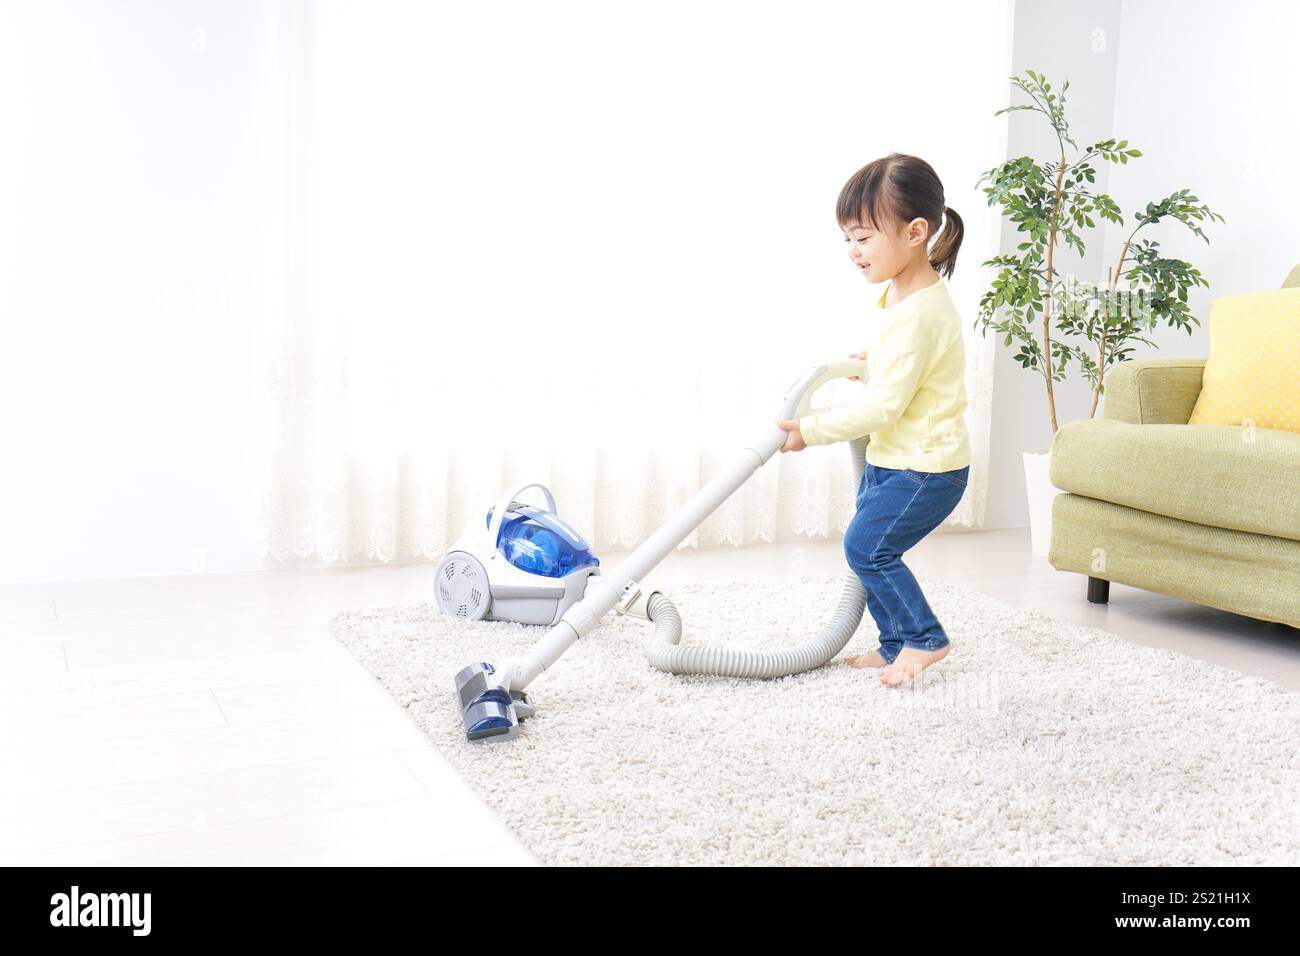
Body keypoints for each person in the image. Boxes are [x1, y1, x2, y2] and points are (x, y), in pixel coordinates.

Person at [775, 153, 971, 687]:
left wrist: (809, 430)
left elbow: (886, 406)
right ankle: (892, 645)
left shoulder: (922, 311)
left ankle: (925, 638)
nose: (853, 252)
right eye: (847, 240)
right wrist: (872, 363)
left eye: (862, 238)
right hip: (894, 458)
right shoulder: (900, 293)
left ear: (914, 232)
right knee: (869, 548)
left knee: (868, 548)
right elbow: (903, 368)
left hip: (927, 468)